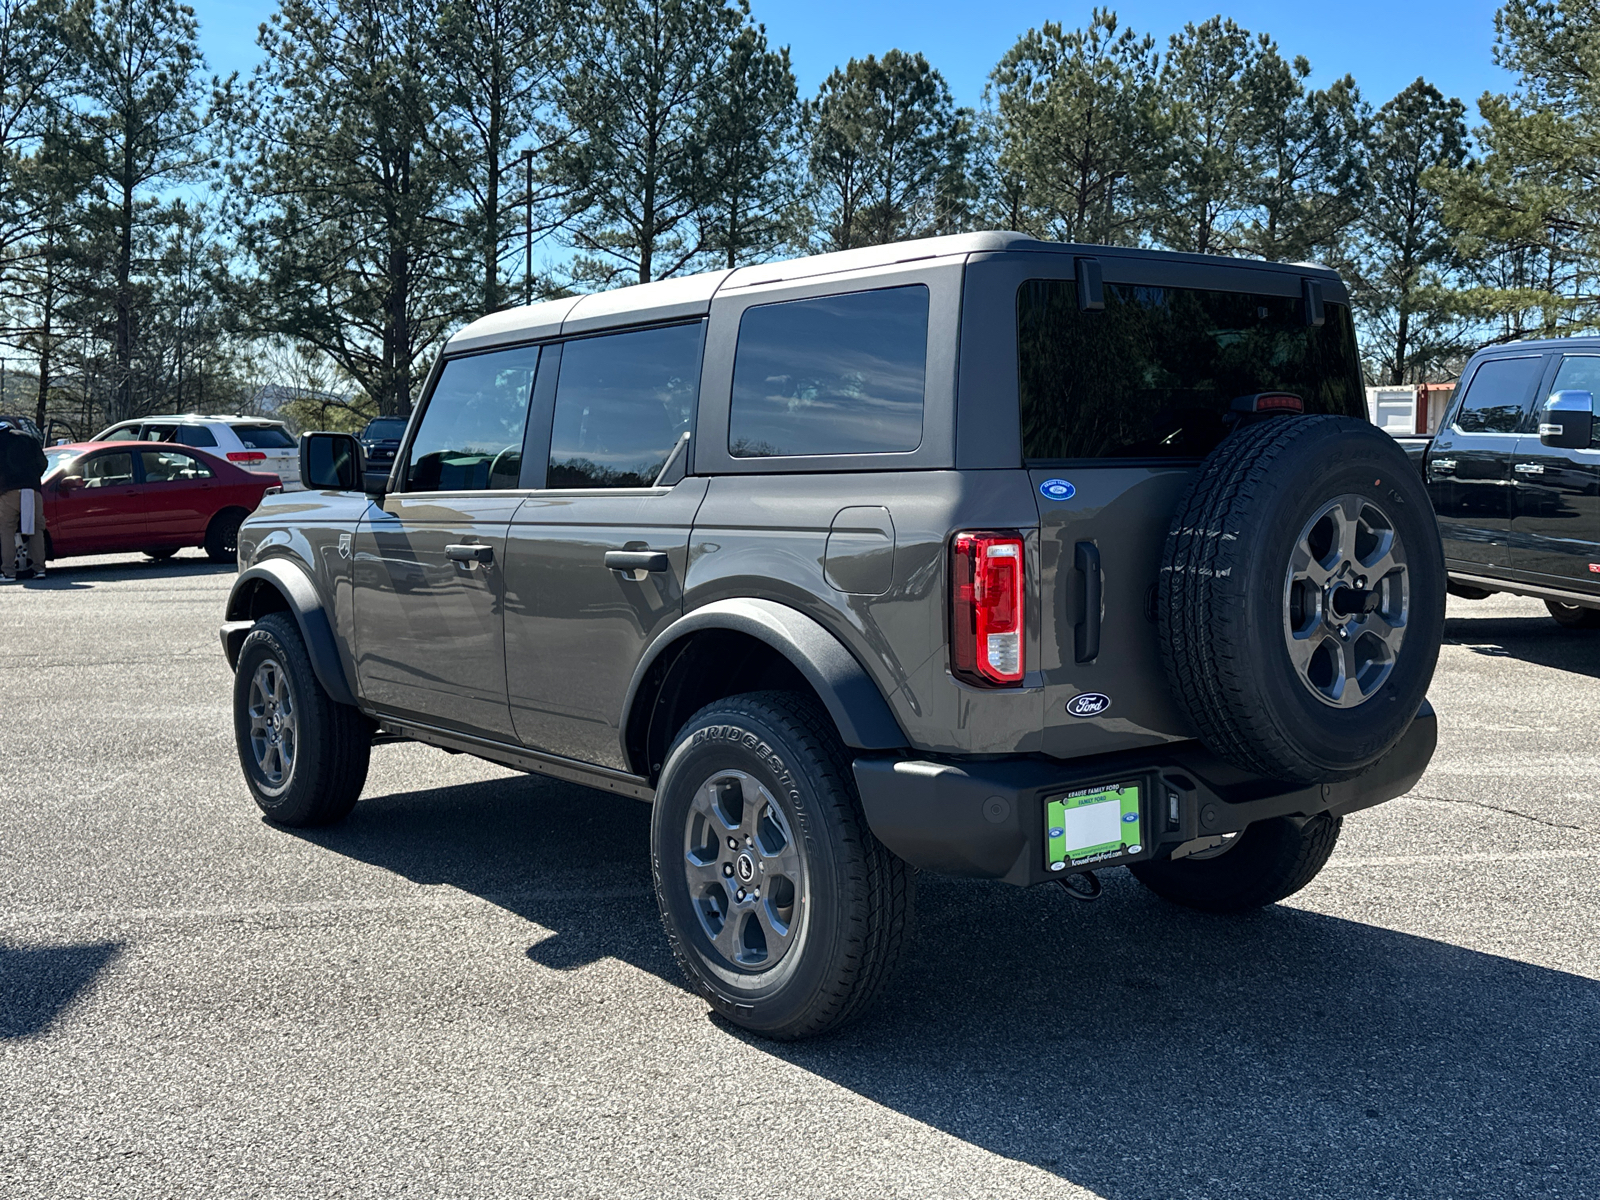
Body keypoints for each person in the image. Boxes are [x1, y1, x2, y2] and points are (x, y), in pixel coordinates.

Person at [0, 420, 48, 582]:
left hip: (9, 490)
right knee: (36, 529)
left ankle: (8, 571)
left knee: (6, 529)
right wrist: (33, 477)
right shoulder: (30, 439)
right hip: (32, 489)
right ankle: (39, 569)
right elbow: (43, 463)